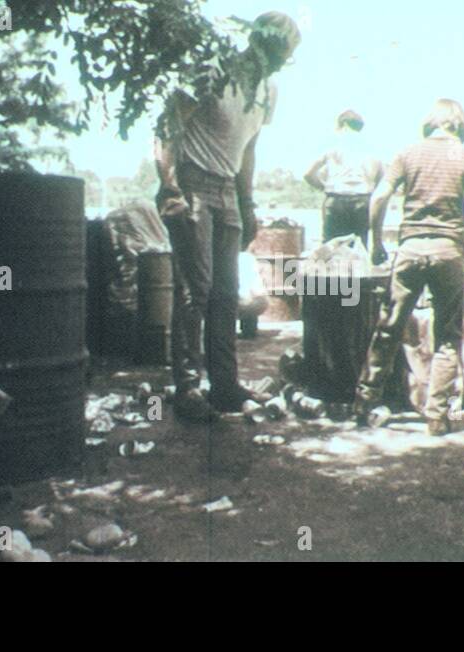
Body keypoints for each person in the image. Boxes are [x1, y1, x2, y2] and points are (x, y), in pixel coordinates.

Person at [154, 12, 302, 422]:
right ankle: (186, 388)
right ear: (257, 43)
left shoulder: (267, 93)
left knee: (226, 295)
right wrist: (170, 189)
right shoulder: (214, 70)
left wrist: (248, 202)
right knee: (194, 291)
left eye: (280, 56)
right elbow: (168, 125)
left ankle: (224, 385)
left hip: (227, 191)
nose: (271, 62)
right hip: (193, 184)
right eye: (270, 51)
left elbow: (249, 148)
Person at [354, 99, 464, 436]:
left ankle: (365, 402)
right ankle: (436, 416)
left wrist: (376, 243)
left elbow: (378, 198)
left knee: (389, 327)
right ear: (459, 125)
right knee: (448, 336)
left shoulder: (407, 154)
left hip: (410, 249)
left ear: (430, 123)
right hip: (449, 253)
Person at [304, 110, 384, 246]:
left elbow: (308, 174)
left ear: (343, 124)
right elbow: (381, 177)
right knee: (358, 249)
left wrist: (323, 188)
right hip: (362, 201)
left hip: (336, 201)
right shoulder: (373, 146)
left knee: (331, 249)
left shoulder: (332, 143)